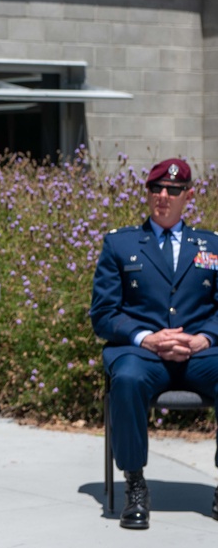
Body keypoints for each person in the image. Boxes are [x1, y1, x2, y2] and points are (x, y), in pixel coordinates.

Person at [91, 158, 218, 530]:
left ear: (188, 196)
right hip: (142, 354)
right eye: (156, 189)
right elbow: (103, 313)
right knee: (126, 379)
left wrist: (203, 338)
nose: (163, 197)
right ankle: (135, 485)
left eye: (173, 190)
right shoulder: (120, 243)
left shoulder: (211, 245)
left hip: (200, 353)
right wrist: (147, 338)